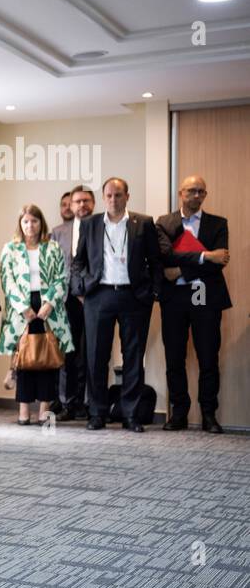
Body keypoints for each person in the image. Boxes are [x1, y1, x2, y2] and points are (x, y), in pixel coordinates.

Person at [71, 177, 161, 432]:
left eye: (118, 195)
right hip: (99, 296)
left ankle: (130, 415)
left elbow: (155, 261)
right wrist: (80, 290)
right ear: (103, 197)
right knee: (96, 357)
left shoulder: (143, 223)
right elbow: (78, 262)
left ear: (127, 196)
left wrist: (153, 293)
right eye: (109, 195)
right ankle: (97, 413)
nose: (113, 200)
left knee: (133, 356)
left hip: (134, 297)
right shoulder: (89, 224)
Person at [156, 175, 231, 433]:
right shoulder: (164, 223)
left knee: (208, 357)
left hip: (204, 294)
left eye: (201, 191)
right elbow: (166, 255)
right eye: (191, 191)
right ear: (181, 193)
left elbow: (219, 262)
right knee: (174, 357)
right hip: (175, 299)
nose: (196, 195)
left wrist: (181, 271)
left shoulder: (218, 224)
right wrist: (204, 256)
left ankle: (209, 414)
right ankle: (179, 414)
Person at [0, 205, 74, 424]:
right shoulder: (10, 248)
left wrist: (50, 302)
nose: (30, 225)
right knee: (24, 359)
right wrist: (23, 306)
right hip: (22, 308)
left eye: (34, 221)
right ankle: (23, 410)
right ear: (20, 224)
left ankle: (44, 410)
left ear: (41, 223)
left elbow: (62, 277)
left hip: (48, 307)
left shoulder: (53, 247)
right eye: (25, 221)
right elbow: (7, 280)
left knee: (47, 358)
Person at [50, 184, 96, 419]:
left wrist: (87, 290)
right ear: (71, 205)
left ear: (93, 203)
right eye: (77, 201)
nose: (81, 205)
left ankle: (90, 403)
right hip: (65, 300)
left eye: (86, 201)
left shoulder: (102, 226)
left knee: (93, 353)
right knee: (67, 353)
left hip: (94, 298)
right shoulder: (58, 232)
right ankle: (67, 403)